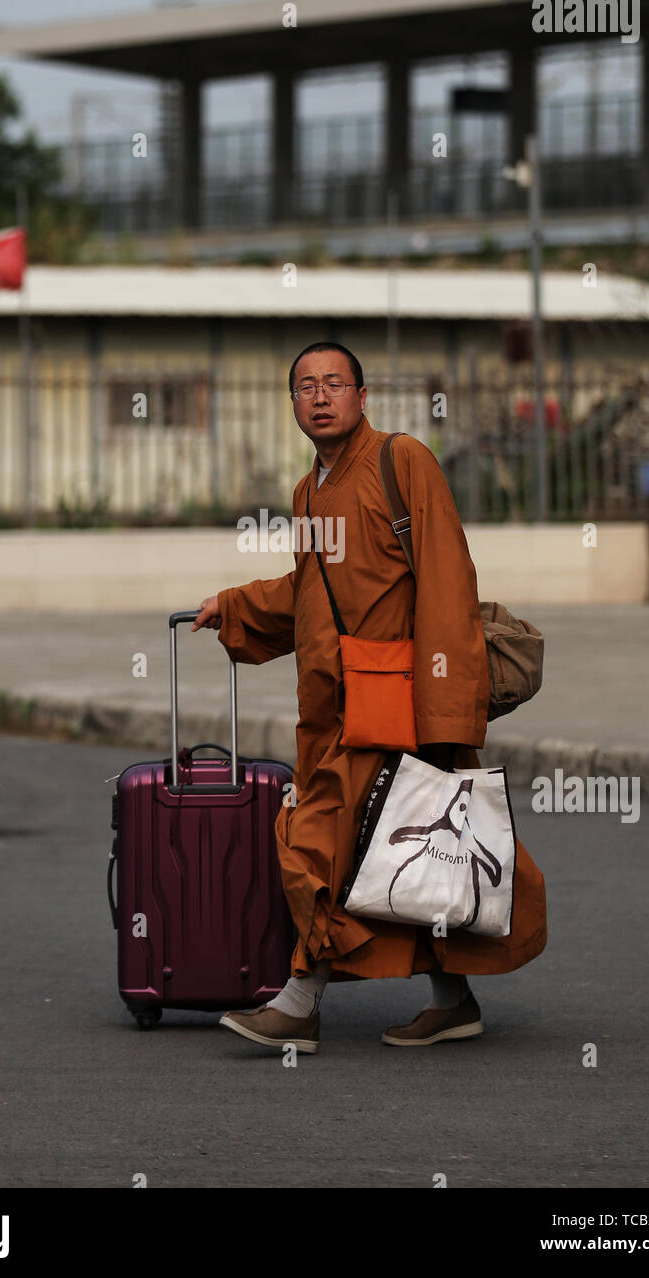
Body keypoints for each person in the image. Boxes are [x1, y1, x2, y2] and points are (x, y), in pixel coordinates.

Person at [191, 341, 546, 1053]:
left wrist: (443, 708)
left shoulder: (400, 461)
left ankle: (299, 1001)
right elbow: (307, 593)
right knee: (397, 854)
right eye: (304, 388)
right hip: (333, 708)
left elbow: (447, 578)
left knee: (317, 842)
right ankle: (452, 1000)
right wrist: (234, 608)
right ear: (292, 405)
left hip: (399, 703)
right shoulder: (307, 491)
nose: (319, 397)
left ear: (362, 395)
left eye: (333, 384)